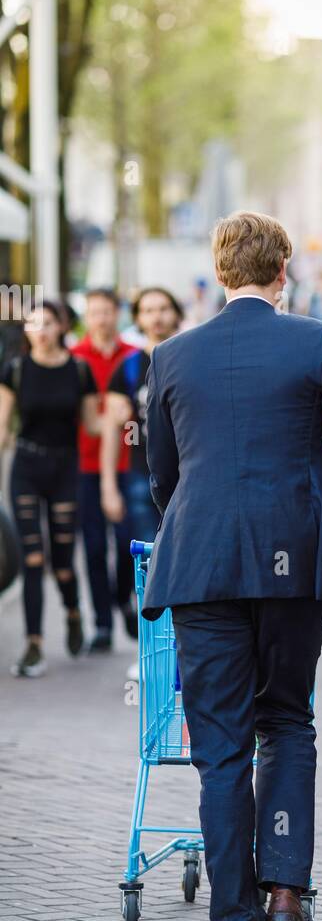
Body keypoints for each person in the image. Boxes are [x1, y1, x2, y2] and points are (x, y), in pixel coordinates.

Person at [141, 211, 322, 921]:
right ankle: (284, 893)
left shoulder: (172, 354)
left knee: (219, 748)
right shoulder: (316, 341)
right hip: (290, 565)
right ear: (285, 273)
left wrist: (210, 514)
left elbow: (163, 479)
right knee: (286, 719)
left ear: (217, 274)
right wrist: (305, 501)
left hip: (202, 564)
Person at [0, 301, 99, 677]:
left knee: (61, 562)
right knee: (32, 559)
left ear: (61, 327)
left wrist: (129, 423)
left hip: (64, 469)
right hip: (26, 466)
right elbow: (2, 427)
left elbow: (92, 425)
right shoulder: (15, 370)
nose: (39, 330)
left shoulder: (79, 370)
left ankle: (73, 614)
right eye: (32, 323)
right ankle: (34, 644)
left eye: (47, 322)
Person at [72, 288, 137, 652]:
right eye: (94, 312)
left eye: (107, 311)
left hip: (128, 464)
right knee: (94, 547)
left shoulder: (132, 358)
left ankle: (123, 598)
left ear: (117, 314)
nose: (101, 319)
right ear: (87, 316)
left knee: (127, 542)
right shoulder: (74, 358)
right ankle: (101, 623)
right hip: (85, 465)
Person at [100, 287, 184, 548]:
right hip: (141, 474)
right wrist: (109, 487)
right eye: (148, 310)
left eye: (163, 309)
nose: (156, 317)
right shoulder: (129, 367)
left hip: (188, 473)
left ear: (176, 314)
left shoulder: (189, 358)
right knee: (149, 556)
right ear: (137, 318)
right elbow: (112, 431)